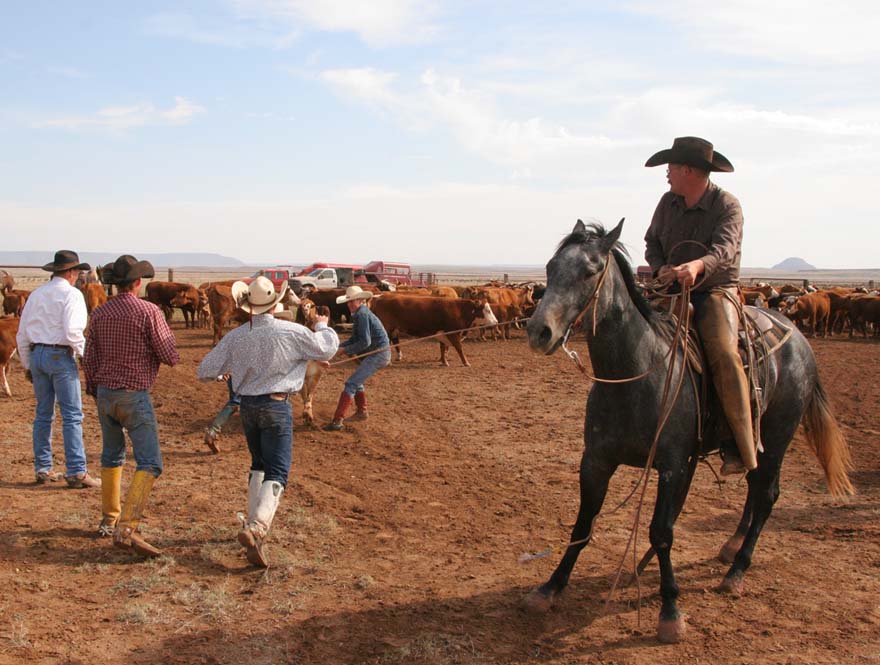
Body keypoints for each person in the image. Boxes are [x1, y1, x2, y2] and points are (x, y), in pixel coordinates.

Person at [197, 276, 338, 567]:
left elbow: (205, 370)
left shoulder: (236, 336)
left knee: (259, 463)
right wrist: (322, 325)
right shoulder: (290, 331)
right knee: (278, 469)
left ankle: (250, 521)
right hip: (276, 405)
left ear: (248, 305)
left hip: (247, 406)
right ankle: (257, 527)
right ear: (275, 303)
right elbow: (325, 349)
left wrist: (229, 371)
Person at [643, 136, 755, 476]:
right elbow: (652, 243)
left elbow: (725, 250)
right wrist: (662, 266)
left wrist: (697, 266)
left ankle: (739, 443)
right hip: (671, 289)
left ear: (689, 170)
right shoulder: (667, 203)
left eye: (672, 167)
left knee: (723, 351)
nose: (667, 174)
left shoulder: (727, 205)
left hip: (715, 291)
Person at [83, 255, 180, 556]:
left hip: (105, 393)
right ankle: (127, 524)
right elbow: (169, 354)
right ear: (138, 282)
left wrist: (95, 391)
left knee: (112, 455)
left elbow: (89, 357)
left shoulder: (100, 313)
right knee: (150, 462)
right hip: (134, 394)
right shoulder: (149, 311)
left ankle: (108, 517)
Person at [16, 250, 100, 488]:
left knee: (44, 414)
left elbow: (22, 332)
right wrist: (86, 356)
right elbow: (73, 332)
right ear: (72, 273)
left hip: (37, 354)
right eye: (78, 272)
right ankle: (76, 471)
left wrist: (27, 363)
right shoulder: (72, 295)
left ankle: (43, 468)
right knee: (72, 415)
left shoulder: (36, 294)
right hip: (60, 356)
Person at [324, 286, 391, 432]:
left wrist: (343, 350)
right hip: (377, 352)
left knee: (351, 383)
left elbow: (364, 342)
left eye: (352, 301)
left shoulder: (362, 315)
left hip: (379, 353)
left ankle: (337, 421)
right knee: (357, 381)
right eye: (348, 302)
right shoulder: (360, 313)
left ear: (360, 300)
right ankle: (361, 412)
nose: (349, 305)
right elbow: (355, 339)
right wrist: (338, 348)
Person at [203, 376, 240, 453]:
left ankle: (213, 432)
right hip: (255, 372)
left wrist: (222, 372)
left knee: (235, 402)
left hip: (235, 371)